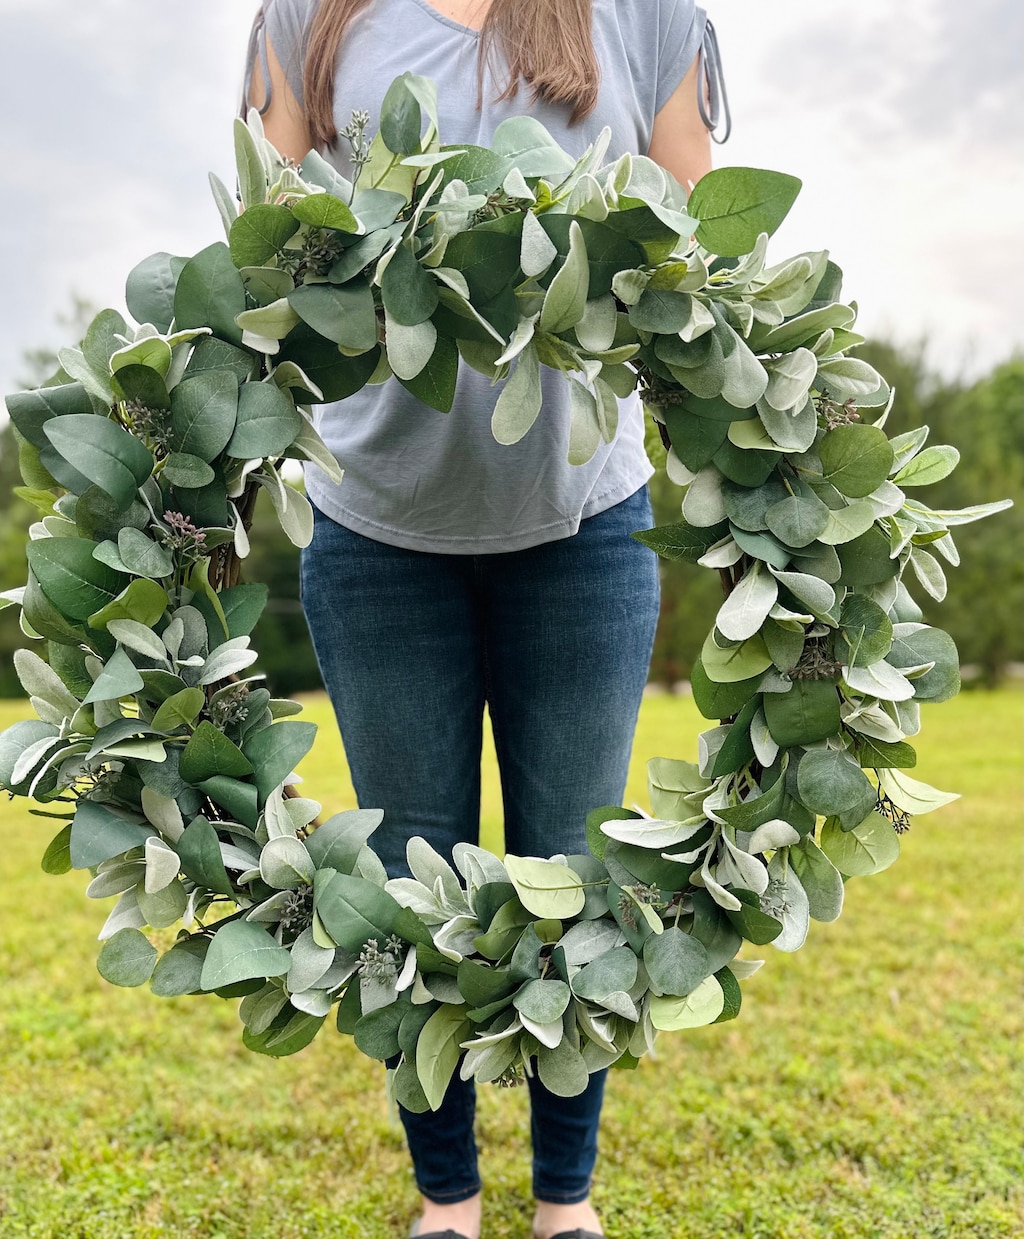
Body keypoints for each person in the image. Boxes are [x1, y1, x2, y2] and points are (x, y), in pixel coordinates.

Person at [243, 3, 727, 1236]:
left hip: (585, 525)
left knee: (573, 875)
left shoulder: (647, 14)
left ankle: (566, 1203)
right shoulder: (308, 13)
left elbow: (704, 248)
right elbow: (260, 243)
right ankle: (446, 1202)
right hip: (375, 530)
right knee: (412, 886)